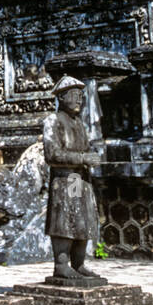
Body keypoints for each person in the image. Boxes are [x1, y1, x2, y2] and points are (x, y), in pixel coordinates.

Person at [44, 75, 103, 280]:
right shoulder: (53, 121)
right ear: (61, 97)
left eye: (80, 95)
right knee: (64, 220)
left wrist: (90, 157)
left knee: (80, 218)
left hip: (79, 178)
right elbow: (52, 154)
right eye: (74, 95)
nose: (79, 99)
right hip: (65, 178)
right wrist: (82, 158)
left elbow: (85, 148)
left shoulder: (78, 123)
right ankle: (61, 264)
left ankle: (79, 264)